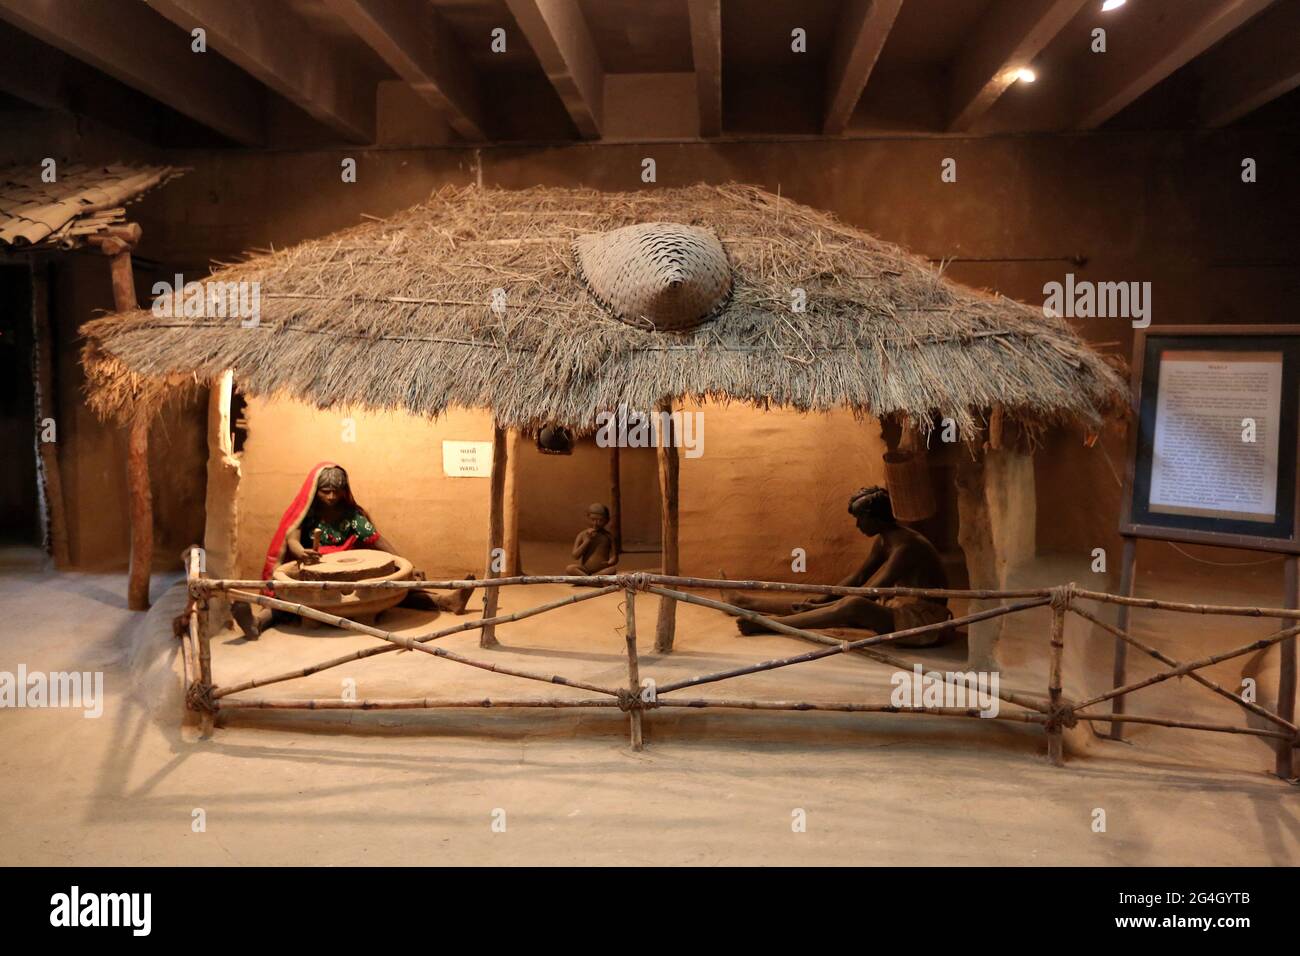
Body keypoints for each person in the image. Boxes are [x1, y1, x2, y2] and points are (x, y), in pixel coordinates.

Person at [231, 463, 473, 639]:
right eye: (325, 491)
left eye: (336, 491)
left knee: (395, 589)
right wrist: (302, 551)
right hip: (315, 578)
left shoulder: (351, 515)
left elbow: (377, 540)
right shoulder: (308, 514)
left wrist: (405, 565)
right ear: (315, 491)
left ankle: (446, 601)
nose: (331, 496)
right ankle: (256, 624)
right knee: (282, 600)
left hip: (354, 578)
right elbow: (291, 538)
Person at [722, 486, 954, 646]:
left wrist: (828, 604)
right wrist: (821, 600)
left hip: (922, 622)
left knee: (852, 605)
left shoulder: (907, 547)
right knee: (821, 601)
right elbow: (858, 577)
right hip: (898, 606)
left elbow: (871, 593)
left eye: (860, 518)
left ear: (876, 518)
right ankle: (744, 602)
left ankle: (771, 625)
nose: (857, 525)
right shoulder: (885, 538)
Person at [564, 502, 618, 577]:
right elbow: (575, 556)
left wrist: (610, 562)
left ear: (607, 520)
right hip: (585, 569)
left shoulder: (608, 536)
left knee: (612, 570)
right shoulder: (582, 535)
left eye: (600, 520)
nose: (596, 523)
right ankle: (592, 580)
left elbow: (614, 556)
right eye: (593, 520)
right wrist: (587, 541)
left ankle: (589, 579)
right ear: (587, 518)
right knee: (569, 568)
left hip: (601, 570)